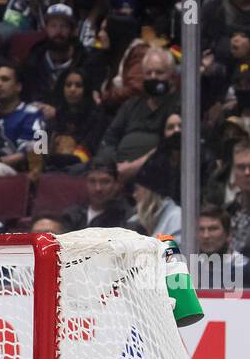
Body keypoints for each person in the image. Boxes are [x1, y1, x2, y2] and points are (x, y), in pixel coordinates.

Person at [95, 46, 179, 182]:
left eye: (159, 73)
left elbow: (171, 146)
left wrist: (135, 166)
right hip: (116, 172)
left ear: (172, 77)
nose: (153, 77)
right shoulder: (131, 105)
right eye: (148, 73)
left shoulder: (178, 105)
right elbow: (109, 139)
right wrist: (111, 167)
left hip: (152, 176)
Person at [0, 61, 46, 176]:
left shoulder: (33, 114)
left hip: (15, 172)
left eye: (5, 79)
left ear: (18, 86)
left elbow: (39, 149)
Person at [61, 160, 131, 230]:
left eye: (105, 182)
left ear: (116, 184)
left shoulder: (125, 217)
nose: (98, 188)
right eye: (92, 181)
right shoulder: (71, 214)